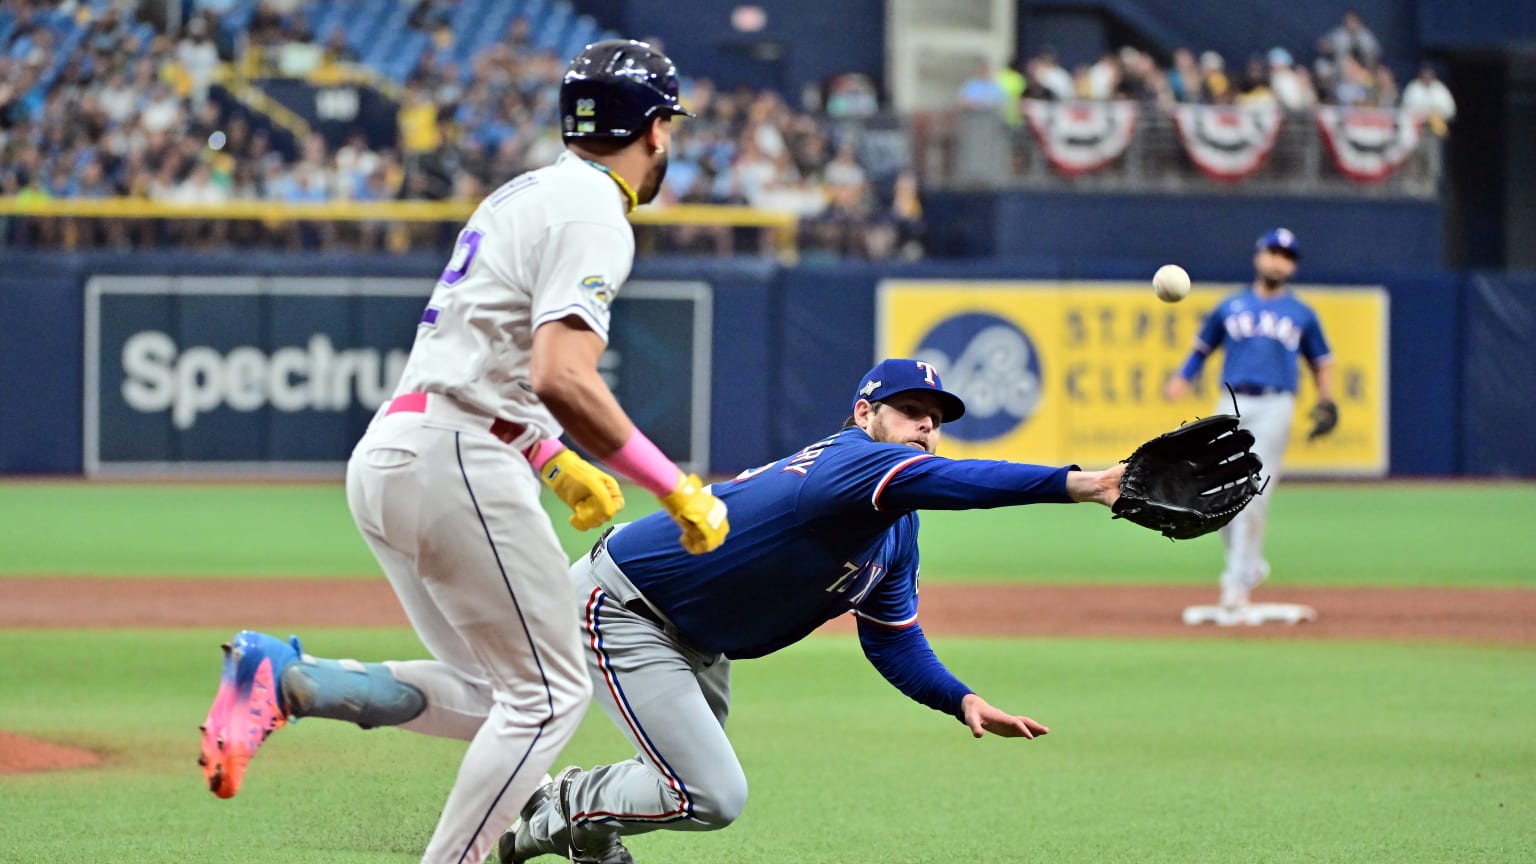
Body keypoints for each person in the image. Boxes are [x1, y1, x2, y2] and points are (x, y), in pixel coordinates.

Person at [197, 40, 729, 864]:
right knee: (551, 698)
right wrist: (672, 485)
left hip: (398, 451)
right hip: (457, 461)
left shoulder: (524, 193)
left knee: (497, 697)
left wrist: (553, 461)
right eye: (670, 128)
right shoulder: (595, 210)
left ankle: (291, 680)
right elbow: (560, 373)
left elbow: (485, 361)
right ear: (656, 129)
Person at [498, 358, 1127, 863]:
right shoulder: (847, 464)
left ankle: (562, 831)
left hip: (696, 633)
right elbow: (963, 483)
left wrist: (959, 698)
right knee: (711, 794)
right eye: (910, 411)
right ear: (864, 413)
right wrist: (1080, 483)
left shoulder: (895, 533)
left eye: (935, 419)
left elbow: (892, 640)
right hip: (625, 606)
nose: (926, 427)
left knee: (677, 777)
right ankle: (564, 804)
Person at [1162, 228, 1335, 624]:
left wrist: (1326, 401)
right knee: (1217, 491)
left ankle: (1235, 588)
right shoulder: (1231, 306)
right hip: (1232, 402)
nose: (1278, 261)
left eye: (1286, 256)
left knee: (1252, 492)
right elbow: (1201, 349)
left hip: (1277, 403)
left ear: (1292, 266)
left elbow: (1322, 361)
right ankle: (1249, 567)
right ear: (1258, 257)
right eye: (1272, 252)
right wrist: (1181, 377)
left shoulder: (1302, 313)